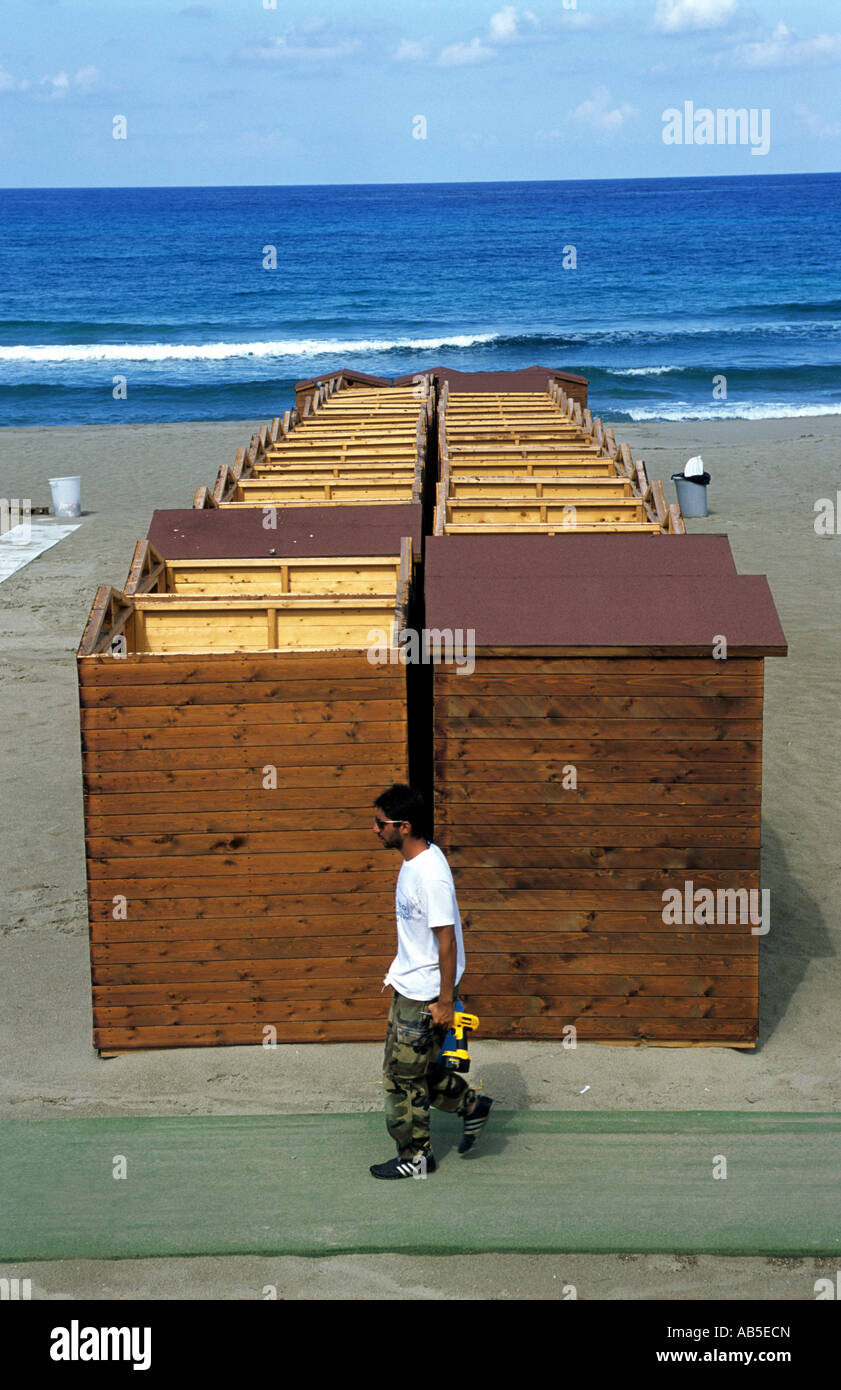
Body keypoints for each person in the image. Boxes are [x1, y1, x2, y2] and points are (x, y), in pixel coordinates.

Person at [370, 783, 493, 1179]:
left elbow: (447, 940)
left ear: (404, 827)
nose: (375, 830)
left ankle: (417, 1157)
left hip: (424, 994)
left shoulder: (431, 875)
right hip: (409, 983)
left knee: (400, 1081)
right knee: (413, 1070)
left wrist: (443, 1003)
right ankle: (470, 1105)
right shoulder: (415, 861)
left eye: (380, 823)